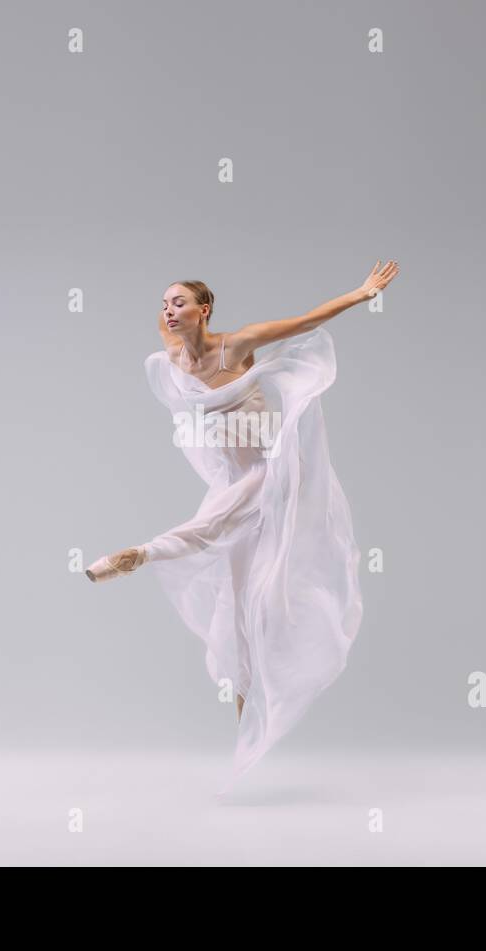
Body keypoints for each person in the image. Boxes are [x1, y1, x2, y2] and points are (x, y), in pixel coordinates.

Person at [86, 261, 400, 790]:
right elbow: (167, 334)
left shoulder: (238, 345)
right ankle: (247, 720)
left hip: (270, 476)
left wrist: (361, 293)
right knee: (239, 605)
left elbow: (303, 322)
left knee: (209, 530)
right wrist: (170, 322)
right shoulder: (171, 358)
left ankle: (139, 554)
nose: (168, 310)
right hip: (232, 484)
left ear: (204, 310)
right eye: (164, 303)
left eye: (180, 302)